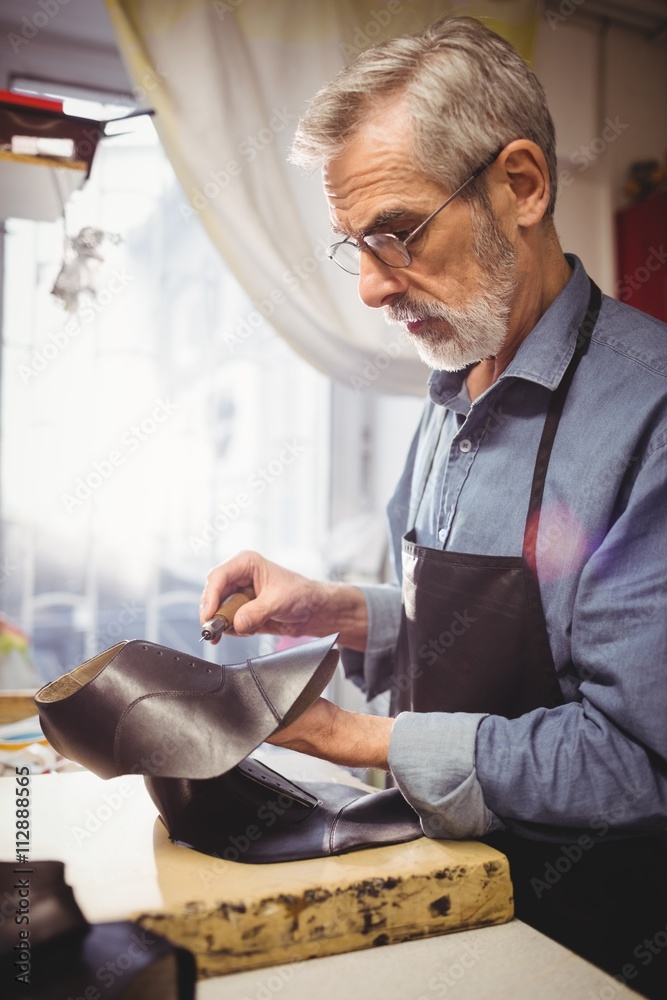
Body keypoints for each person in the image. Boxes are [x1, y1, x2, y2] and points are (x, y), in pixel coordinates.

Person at [200, 16, 667, 996]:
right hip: (441, 892)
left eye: (398, 233)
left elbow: (636, 762)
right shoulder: (454, 378)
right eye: (352, 247)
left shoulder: (649, 414)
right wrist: (341, 608)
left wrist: (359, 737)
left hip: (594, 936)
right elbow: (496, 628)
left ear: (523, 186)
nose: (370, 287)